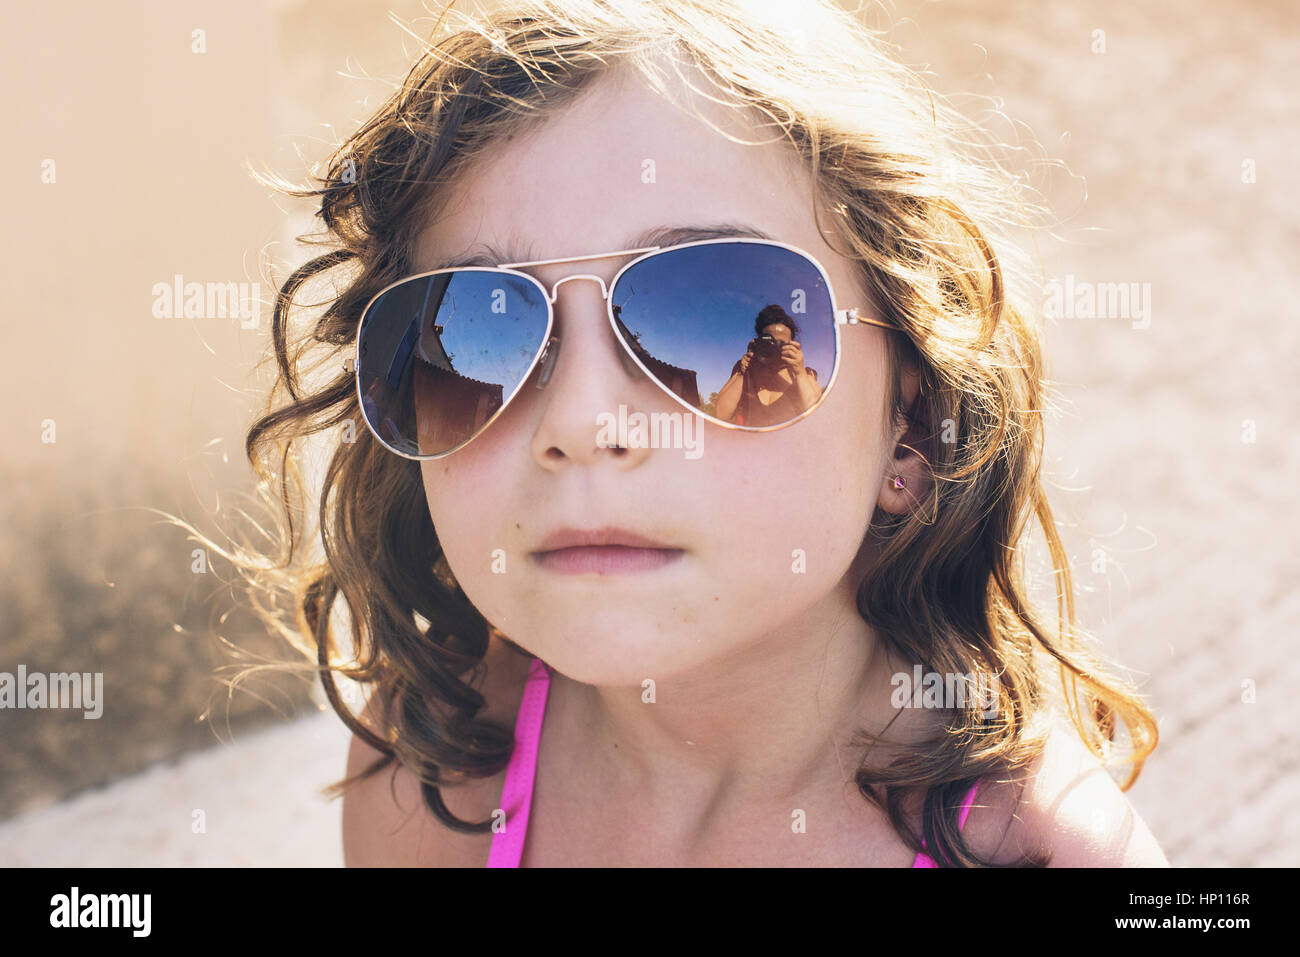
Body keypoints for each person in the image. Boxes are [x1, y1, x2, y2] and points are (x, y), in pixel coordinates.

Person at [234, 0, 1168, 866]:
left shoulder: (1040, 855)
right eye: (478, 336)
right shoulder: (430, 778)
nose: (581, 424)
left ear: (910, 429)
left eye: (706, 312)